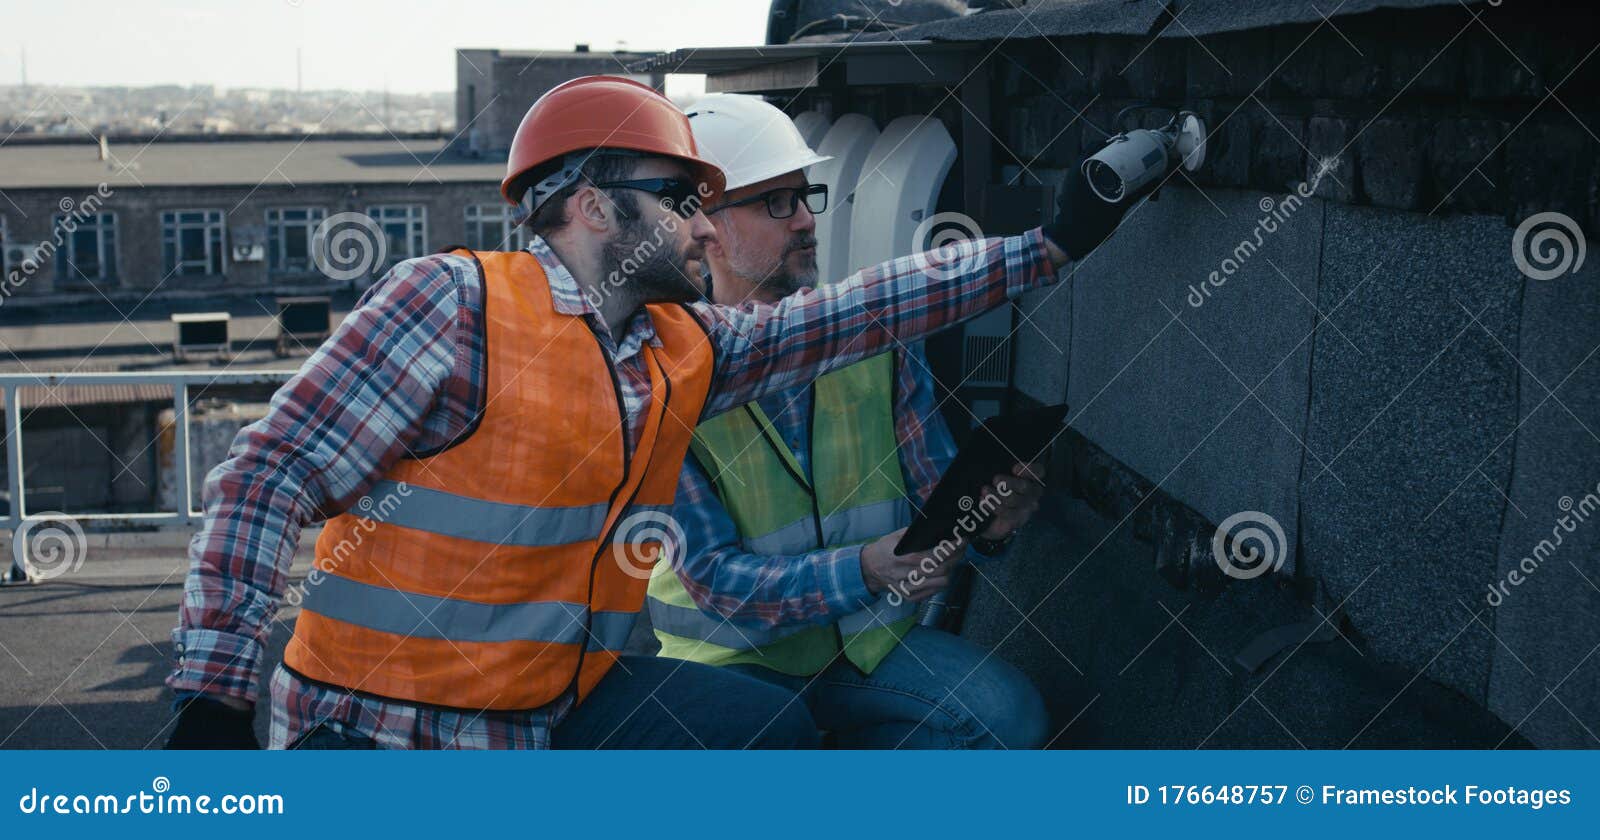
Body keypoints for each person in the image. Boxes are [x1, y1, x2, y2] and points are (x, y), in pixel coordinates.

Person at [163, 75, 1136, 749]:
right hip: (389, 727)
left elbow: (860, 312)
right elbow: (268, 475)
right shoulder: (454, 304)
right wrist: (214, 694)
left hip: (548, 708)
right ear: (590, 208)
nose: (704, 225)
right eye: (680, 197)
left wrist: (1046, 247)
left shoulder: (676, 349)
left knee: (760, 733)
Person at [646, 94, 1048, 748]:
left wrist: (984, 516)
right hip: (732, 668)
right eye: (777, 202)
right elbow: (719, 585)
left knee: (1007, 717)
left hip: (859, 649)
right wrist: (865, 570)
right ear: (703, 227)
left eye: (807, 197)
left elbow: (933, 496)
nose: (806, 221)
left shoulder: (874, 341)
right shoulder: (661, 373)